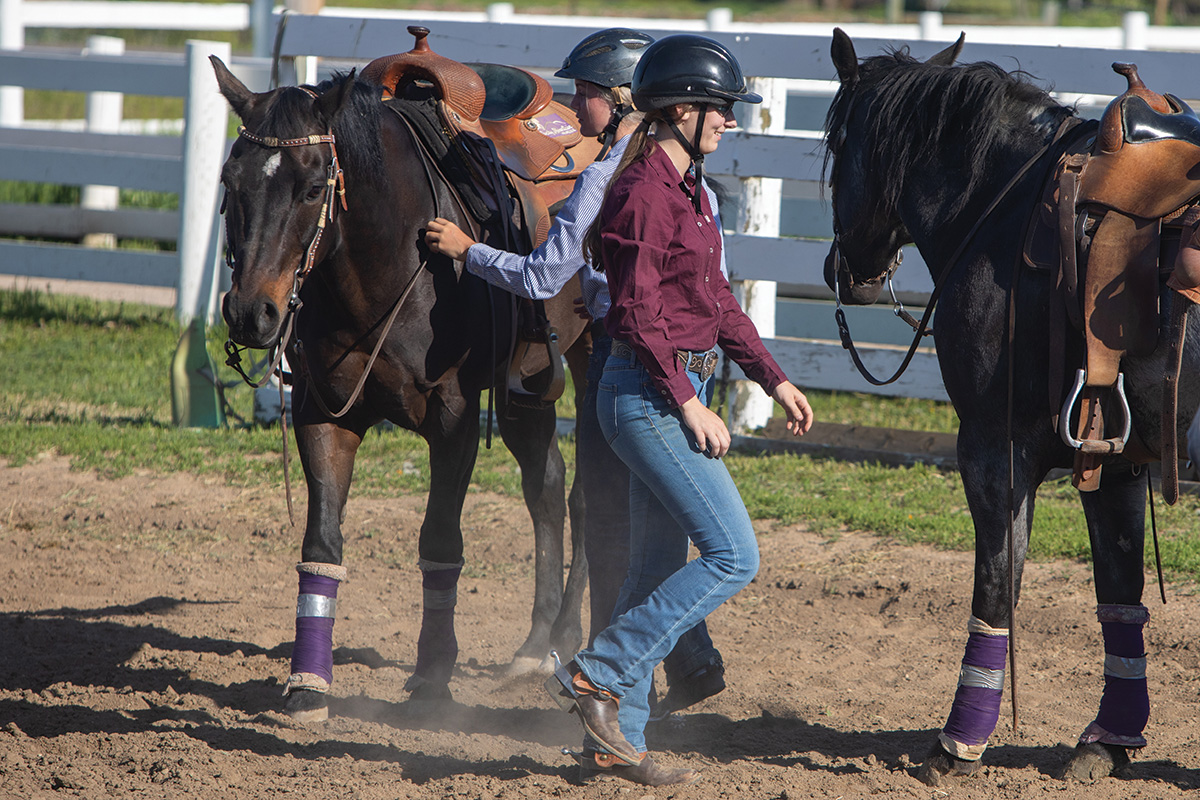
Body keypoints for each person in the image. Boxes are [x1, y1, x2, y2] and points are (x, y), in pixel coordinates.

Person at [424, 28, 727, 721]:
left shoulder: (605, 176)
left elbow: (542, 276)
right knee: (661, 527)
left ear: (621, 101)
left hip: (628, 367)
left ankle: (614, 688)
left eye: (586, 93)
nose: (573, 104)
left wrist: (469, 251)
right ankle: (690, 659)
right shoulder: (689, 180)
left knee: (616, 537)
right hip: (690, 365)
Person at [545, 34, 814, 786]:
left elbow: (716, 301)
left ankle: (614, 741)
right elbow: (633, 313)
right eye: (722, 110)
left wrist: (773, 377)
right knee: (736, 556)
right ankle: (595, 673)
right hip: (648, 395)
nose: (730, 122)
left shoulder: (689, 188)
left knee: (652, 568)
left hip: (667, 388)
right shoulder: (641, 195)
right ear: (684, 110)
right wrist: (691, 401)